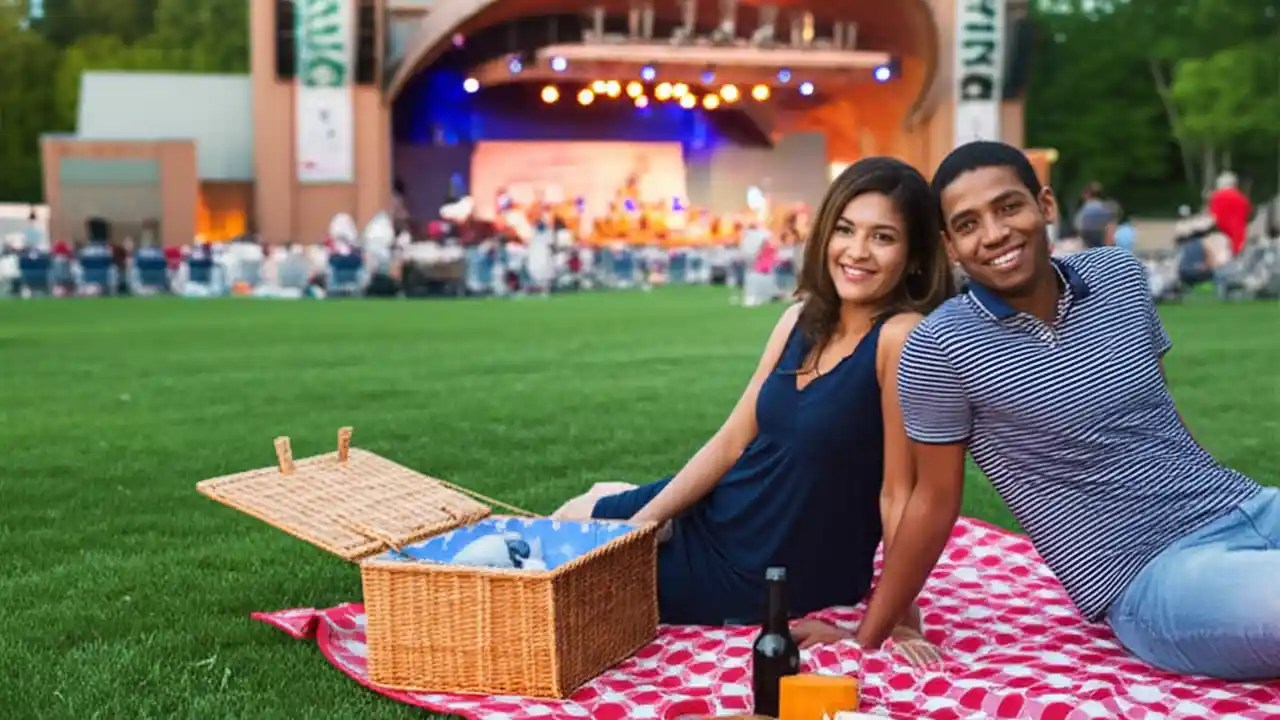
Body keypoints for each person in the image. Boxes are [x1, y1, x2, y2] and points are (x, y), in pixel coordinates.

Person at [844, 140, 1278, 681]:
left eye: (1008, 207)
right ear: (950, 246)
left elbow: (1159, 413)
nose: (996, 233)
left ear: (1044, 205)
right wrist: (868, 635)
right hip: (1152, 576)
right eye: (968, 223)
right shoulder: (940, 346)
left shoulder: (1118, 275)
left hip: (1250, 508)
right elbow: (932, 502)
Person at [553, 158, 955, 662]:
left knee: (566, 572)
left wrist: (898, 623)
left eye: (882, 237)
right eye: (846, 230)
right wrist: (646, 522)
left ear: (915, 256)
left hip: (761, 569)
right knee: (577, 514)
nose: (856, 251)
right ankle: (630, 512)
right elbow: (732, 440)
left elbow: (899, 493)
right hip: (722, 517)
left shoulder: (900, 336)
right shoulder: (799, 320)